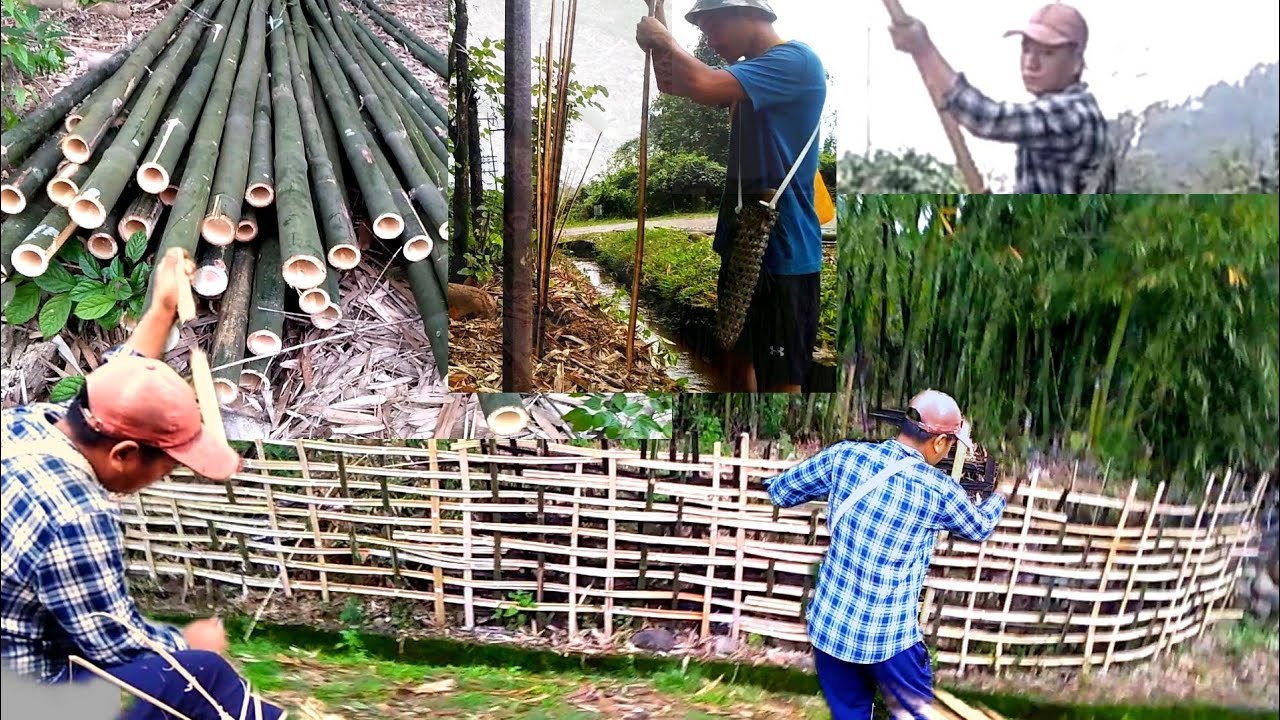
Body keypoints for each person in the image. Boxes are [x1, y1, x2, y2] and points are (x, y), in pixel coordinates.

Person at [1, 248, 286, 720]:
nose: (164, 476)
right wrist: (192, 642)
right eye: (167, 465)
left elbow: (118, 380)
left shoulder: (30, 423)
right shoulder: (77, 513)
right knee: (201, 674)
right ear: (125, 455)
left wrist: (162, 308)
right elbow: (115, 644)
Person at [763, 389, 1014, 719]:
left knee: (850, 714)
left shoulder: (844, 457)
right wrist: (1004, 493)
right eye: (951, 443)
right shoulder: (938, 489)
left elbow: (780, 491)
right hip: (890, 639)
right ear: (939, 443)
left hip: (831, 628)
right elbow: (979, 527)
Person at [635, 0, 828, 392]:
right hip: (742, 241)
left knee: (780, 383)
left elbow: (703, 84)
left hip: (784, 253)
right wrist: (659, 28)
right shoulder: (749, 74)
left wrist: (663, 39)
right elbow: (675, 83)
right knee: (737, 368)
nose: (708, 38)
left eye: (712, 25)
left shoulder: (796, 61)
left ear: (749, 14)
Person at [889, 3, 1114, 194]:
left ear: (1076, 63)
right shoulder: (1071, 113)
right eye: (1026, 50)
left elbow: (987, 119)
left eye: (1047, 53)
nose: (1031, 63)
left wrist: (925, 51)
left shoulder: (1072, 113)